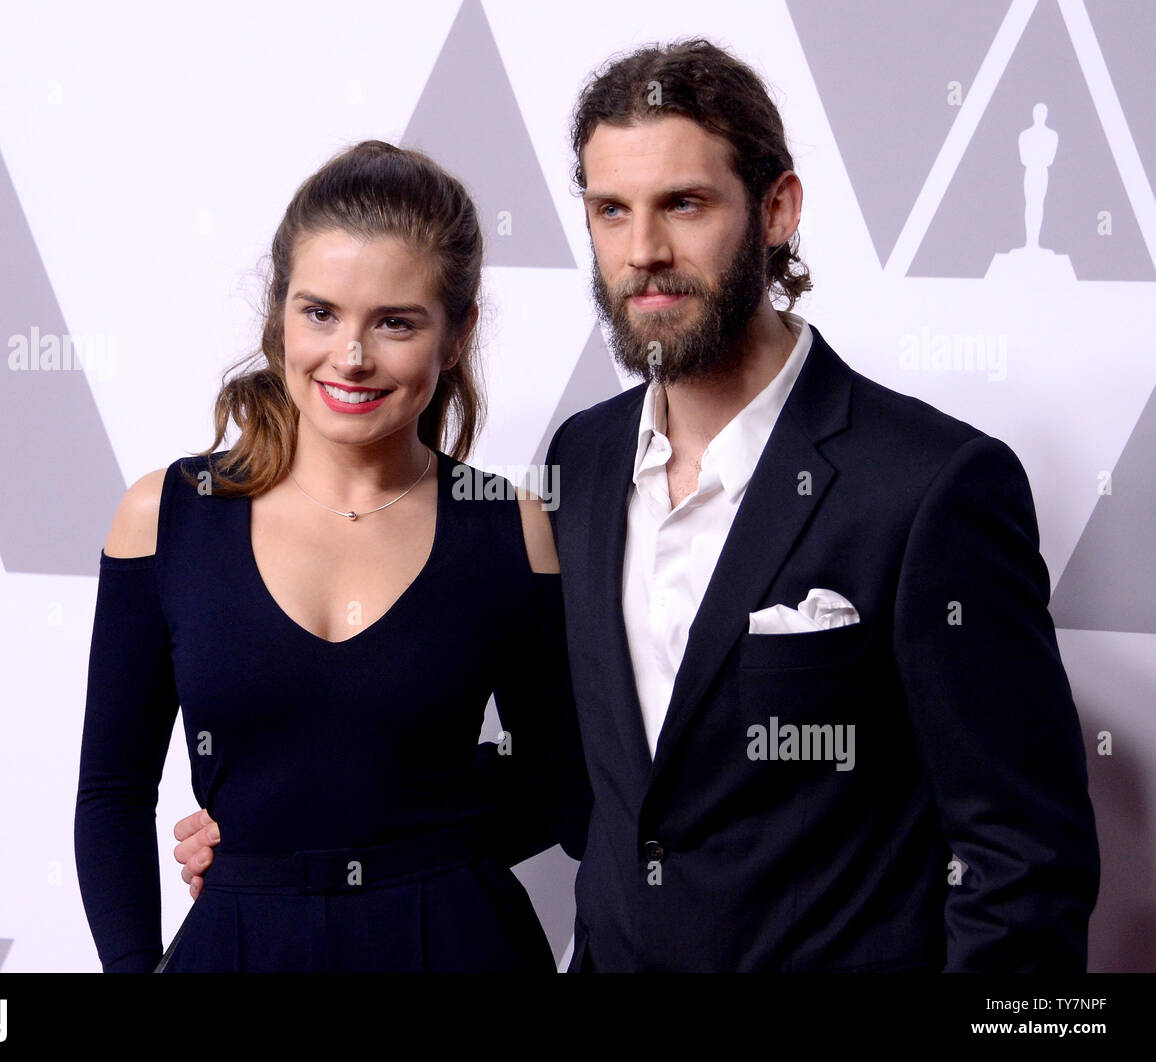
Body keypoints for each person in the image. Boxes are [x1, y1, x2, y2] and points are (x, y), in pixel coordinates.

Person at [170, 38, 1101, 972]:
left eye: (684, 205)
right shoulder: (585, 459)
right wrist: (284, 833)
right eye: (611, 211)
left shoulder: (933, 484)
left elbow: (1026, 861)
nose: (644, 251)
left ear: (777, 209)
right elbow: (586, 781)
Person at [73, 140, 590, 973]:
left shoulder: (506, 523)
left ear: (457, 336)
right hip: (242, 948)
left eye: (395, 322)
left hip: (458, 945)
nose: (350, 356)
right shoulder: (165, 516)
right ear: (279, 314)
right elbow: (113, 796)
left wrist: (372, 830)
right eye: (320, 313)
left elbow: (567, 787)